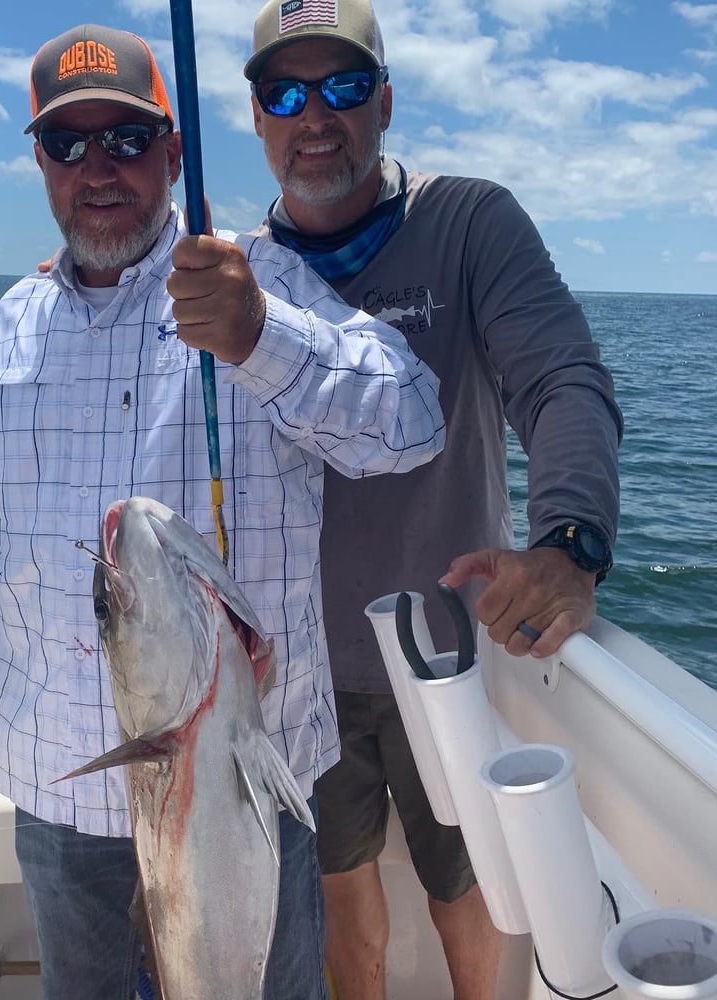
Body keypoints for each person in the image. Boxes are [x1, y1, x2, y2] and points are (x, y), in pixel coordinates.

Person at [0, 23, 446, 1000]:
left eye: (127, 139)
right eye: (67, 142)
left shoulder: (258, 280)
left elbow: (411, 420)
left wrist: (260, 335)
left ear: (173, 157)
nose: (98, 166)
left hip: (238, 779)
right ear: (41, 163)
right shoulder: (16, 316)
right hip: (61, 784)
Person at [243, 1, 623, 998]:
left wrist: (569, 541)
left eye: (344, 85)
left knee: (469, 886)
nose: (314, 113)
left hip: (446, 649)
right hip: (298, 669)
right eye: (285, 91)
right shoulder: (240, 276)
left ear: (387, 102)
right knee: (337, 888)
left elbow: (561, 379)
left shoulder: (468, 223)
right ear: (255, 117)